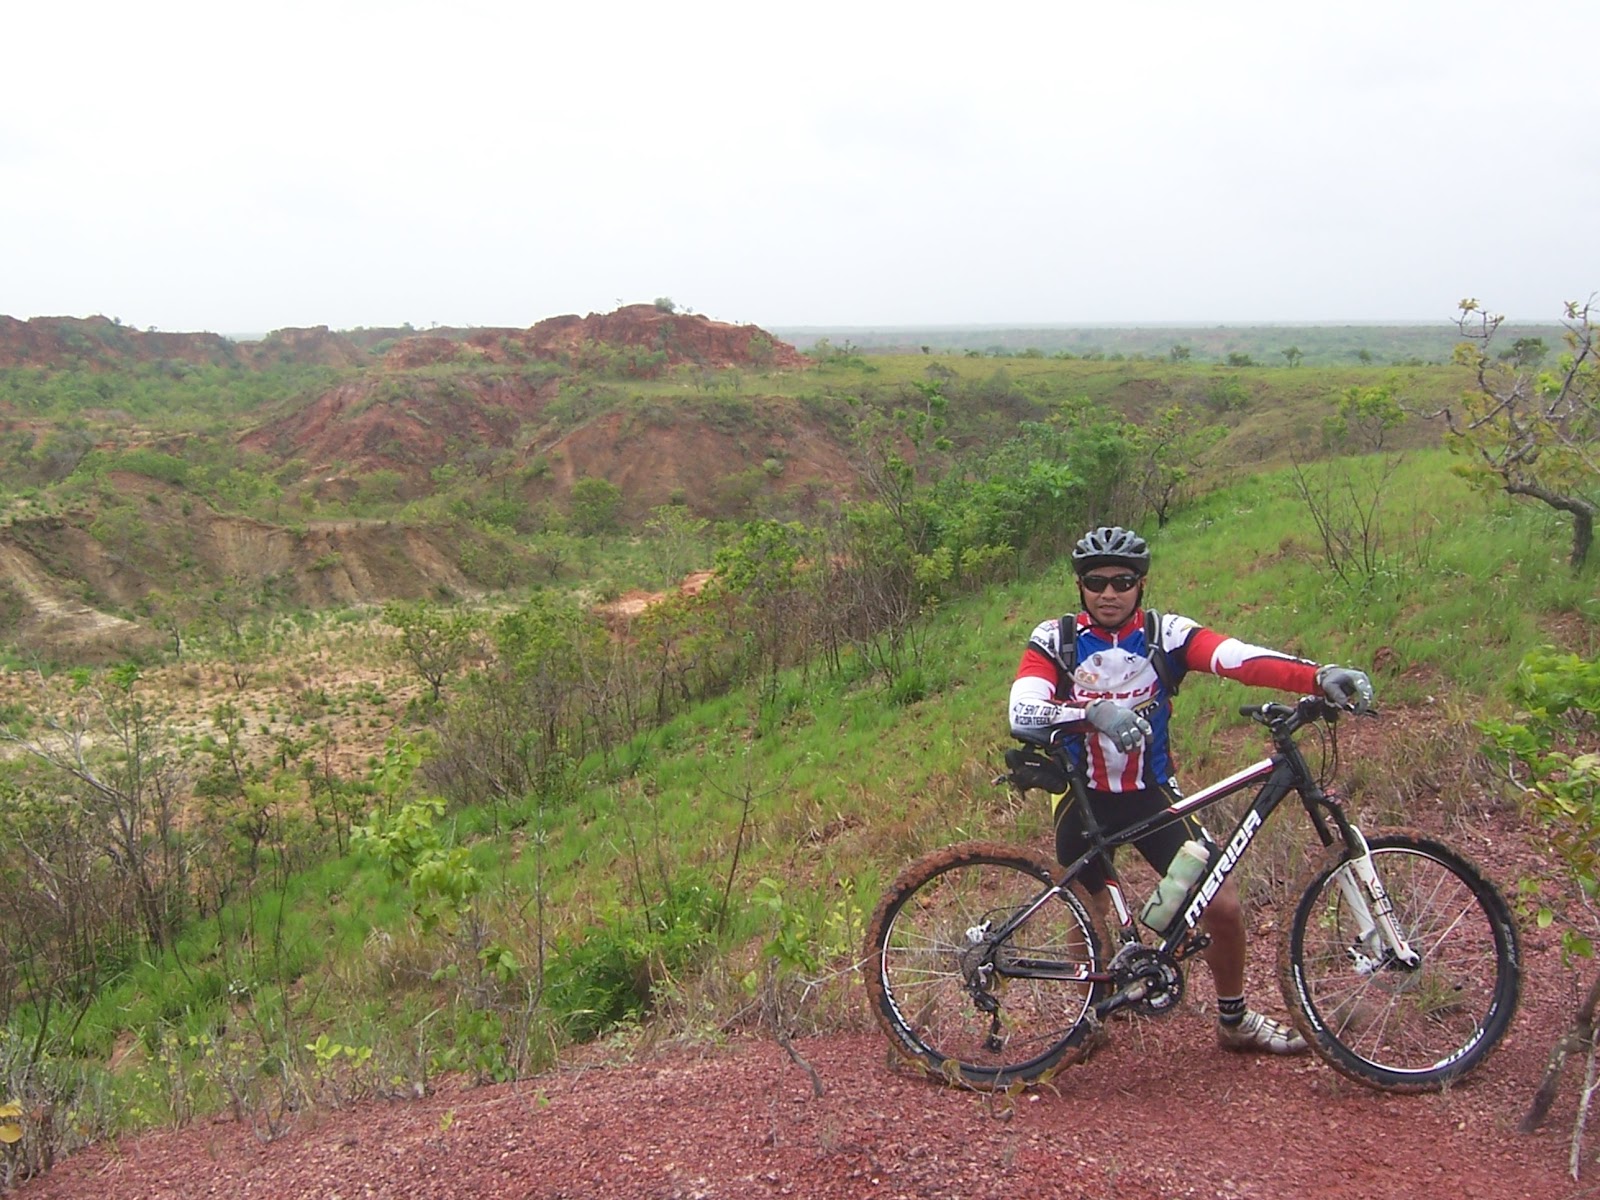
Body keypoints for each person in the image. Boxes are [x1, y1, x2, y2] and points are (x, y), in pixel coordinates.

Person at [1008, 525, 1373, 1054]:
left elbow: (1238, 659)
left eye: (1122, 580)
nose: (1109, 592)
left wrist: (1317, 677)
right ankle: (1088, 1021)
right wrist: (1093, 712)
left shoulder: (1165, 634)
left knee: (1219, 906)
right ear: (1080, 585)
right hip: (1082, 796)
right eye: (1095, 581)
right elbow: (1022, 709)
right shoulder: (1056, 639)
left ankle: (1235, 1021)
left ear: (1142, 583)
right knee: (1090, 916)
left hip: (1152, 793)